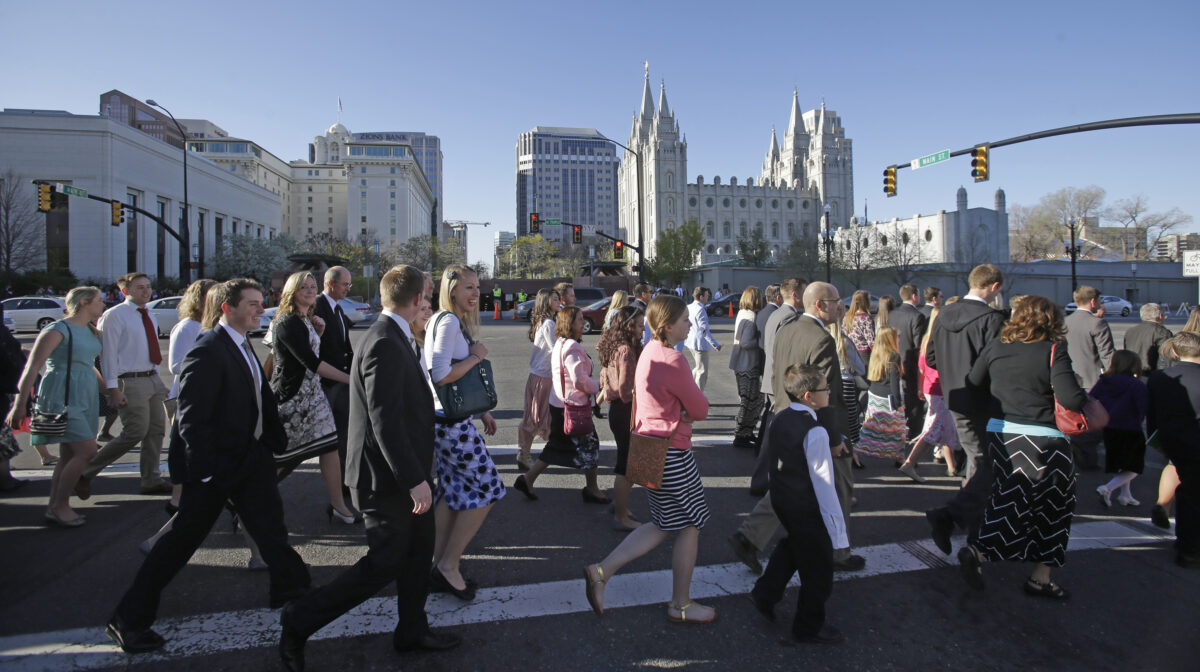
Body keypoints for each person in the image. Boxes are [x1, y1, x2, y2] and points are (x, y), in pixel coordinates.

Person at [106, 279, 311, 654]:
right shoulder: (208, 349)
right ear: (226, 309)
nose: (258, 309)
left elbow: (255, 394)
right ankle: (128, 619)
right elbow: (191, 419)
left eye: (259, 302)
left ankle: (293, 593)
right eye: (250, 304)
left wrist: (270, 442)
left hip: (248, 459)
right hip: (215, 467)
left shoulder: (240, 343)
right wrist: (203, 471)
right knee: (181, 541)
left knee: (270, 528)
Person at [280, 266, 459, 671]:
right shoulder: (383, 341)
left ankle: (412, 630)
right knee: (385, 563)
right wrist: (415, 481)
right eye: (428, 297)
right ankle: (299, 619)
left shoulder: (394, 334)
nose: (430, 304)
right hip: (386, 479)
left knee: (417, 556)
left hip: (406, 472)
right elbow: (384, 420)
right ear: (415, 300)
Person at [583, 295, 715, 623]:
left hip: (651, 448)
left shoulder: (649, 353)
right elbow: (700, 409)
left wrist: (681, 408)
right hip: (674, 452)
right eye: (685, 320)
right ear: (668, 326)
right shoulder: (673, 358)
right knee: (690, 525)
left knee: (662, 523)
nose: (689, 324)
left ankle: (602, 571)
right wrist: (685, 411)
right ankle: (680, 604)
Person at [731, 283, 864, 574]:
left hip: (786, 415)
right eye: (834, 301)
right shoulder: (821, 339)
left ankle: (750, 536)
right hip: (815, 426)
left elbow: (779, 373)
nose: (840, 306)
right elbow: (825, 396)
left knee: (789, 485)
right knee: (839, 486)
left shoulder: (786, 329)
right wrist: (834, 438)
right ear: (819, 305)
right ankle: (838, 551)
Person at [958, 295, 1086, 598]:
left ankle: (980, 552)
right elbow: (1071, 398)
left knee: (1009, 495)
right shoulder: (1054, 350)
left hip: (1002, 433)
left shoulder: (996, 347)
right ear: (1050, 320)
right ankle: (1040, 576)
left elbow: (973, 382)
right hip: (1043, 437)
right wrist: (1083, 394)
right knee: (1055, 506)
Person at [749, 364, 848, 644]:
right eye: (824, 388)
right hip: (807, 505)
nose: (828, 392)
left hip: (784, 499)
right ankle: (807, 626)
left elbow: (773, 463)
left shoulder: (780, 418)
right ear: (808, 396)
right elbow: (824, 484)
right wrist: (837, 529)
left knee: (794, 546)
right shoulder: (815, 431)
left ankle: (765, 592)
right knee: (819, 570)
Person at [425, 264, 504, 600]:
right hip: (452, 427)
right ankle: (449, 565)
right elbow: (440, 374)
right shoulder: (448, 321)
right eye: (469, 287)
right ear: (452, 290)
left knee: (453, 492)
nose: (475, 294)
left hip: (445, 421)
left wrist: (480, 410)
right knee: (488, 488)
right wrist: (475, 356)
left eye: (477, 287)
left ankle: (437, 562)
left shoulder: (441, 320)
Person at [923, 264, 1006, 555]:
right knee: (985, 461)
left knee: (977, 458)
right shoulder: (991, 319)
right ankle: (966, 519)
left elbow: (931, 357)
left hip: (954, 395)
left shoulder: (944, 313)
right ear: (993, 287)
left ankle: (965, 516)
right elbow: (997, 364)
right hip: (984, 399)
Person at [6, 287, 105, 526]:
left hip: (84, 395)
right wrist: (20, 404)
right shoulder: (57, 329)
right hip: (61, 395)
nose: (103, 305)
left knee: (69, 454)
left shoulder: (90, 331)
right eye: (99, 301)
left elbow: (87, 363)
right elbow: (32, 366)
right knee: (87, 451)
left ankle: (56, 505)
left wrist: (109, 391)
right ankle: (60, 505)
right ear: (83, 303)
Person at [267, 272, 356, 523]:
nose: (308, 291)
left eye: (311, 286)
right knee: (287, 456)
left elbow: (312, 352)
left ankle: (339, 506)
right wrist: (351, 379)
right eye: (303, 287)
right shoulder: (287, 322)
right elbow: (312, 362)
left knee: (329, 446)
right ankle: (245, 496)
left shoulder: (305, 320)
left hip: (314, 397)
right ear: (291, 292)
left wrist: (320, 330)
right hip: (293, 399)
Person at [76, 272, 171, 499]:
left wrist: (158, 380)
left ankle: (151, 479)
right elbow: (107, 354)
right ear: (125, 291)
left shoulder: (149, 314)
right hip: (129, 379)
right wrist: (112, 388)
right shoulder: (114, 315)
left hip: (151, 377)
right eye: (140, 287)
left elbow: (150, 348)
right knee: (135, 431)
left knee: (156, 431)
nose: (146, 291)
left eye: (148, 287)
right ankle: (85, 473)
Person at [513, 306, 608, 503]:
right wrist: (597, 385)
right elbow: (579, 380)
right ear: (570, 324)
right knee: (590, 446)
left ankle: (528, 480)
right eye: (580, 320)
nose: (583, 323)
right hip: (574, 407)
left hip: (559, 404)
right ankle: (592, 489)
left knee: (556, 446)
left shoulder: (561, 344)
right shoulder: (573, 347)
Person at [1147, 331, 1200, 567]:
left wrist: (1156, 438)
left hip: (1173, 441)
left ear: (1176, 352)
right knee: (1192, 494)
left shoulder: (1160, 377)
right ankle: (1189, 548)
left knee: (1188, 490)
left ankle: (1185, 542)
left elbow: (1152, 414)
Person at [598, 304, 644, 530]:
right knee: (626, 465)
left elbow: (605, 380)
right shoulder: (626, 350)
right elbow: (626, 391)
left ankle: (620, 505)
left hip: (616, 409)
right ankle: (620, 516)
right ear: (629, 326)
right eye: (640, 326)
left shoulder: (614, 345)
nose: (643, 330)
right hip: (625, 409)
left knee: (627, 462)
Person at [899, 306, 958, 481]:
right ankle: (910, 463)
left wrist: (921, 386)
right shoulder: (941, 341)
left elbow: (921, 368)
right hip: (939, 388)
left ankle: (952, 466)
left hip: (931, 387)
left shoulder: (927, 340)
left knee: (942, 427)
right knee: (935, 429)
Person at [1065, 286, 1115, 471]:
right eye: (1100, 301)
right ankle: (1086, 455)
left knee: (1075, 418)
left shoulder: (1065, 322)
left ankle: (1077, 449)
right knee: (1095, 422)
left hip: (1070, 379)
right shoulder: (1097, 323)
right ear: (1093, 301)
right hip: (1092, 379)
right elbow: (1107, 354)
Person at [313, 266, 354, 490]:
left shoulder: (338, 309)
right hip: (326, 383)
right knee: (327, 438)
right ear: (331, 284)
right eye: (345, 284)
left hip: (343, 380)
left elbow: (345, 346)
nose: (348, 289)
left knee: (344, 433)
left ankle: (345, 483)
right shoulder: (317, 307)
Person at [1091, 351, 1149, 507]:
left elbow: (1091, 398)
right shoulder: (1137, 385)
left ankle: (1125, 495)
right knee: (1134, 467)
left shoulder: (1104, 381)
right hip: (1131, 428)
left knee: (1122, 464)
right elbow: (1143, 407)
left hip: (1109, 427)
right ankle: (1107, 488)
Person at [516, 288, 561, 471]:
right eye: (555, 299)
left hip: (540, 376)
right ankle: (524, 454)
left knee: (538, 417)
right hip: (543, 377)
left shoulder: (545, 322)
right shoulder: (549, 324)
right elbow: (556, 349)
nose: (559, 301)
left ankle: (527, 453)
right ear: (546, 302)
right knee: (536, 418)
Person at [857, 327, 907, 463]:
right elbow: (894, 383)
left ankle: (865, 450)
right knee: (897, 429)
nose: (899, 339)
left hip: (874, 395)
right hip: (889, 398)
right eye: (897, 337)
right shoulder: (894, 356)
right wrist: (898, 404)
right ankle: (900, 458)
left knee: (873, 427)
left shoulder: (876, 354)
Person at [889, 284, 929, 439]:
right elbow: (918, 344)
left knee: (899, 398)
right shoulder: (917, 316)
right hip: (911, 363)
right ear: (914, 296)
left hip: (895, 359)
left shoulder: (893, 314)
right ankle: (914, 432)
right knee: (913, 402)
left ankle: (900, 428)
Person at [729, 286, 765, 449]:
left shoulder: (743, 313)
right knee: (751, 400)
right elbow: (745, 342)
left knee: (751, 399)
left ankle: (745, 432)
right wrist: (759, 341)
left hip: (740, 364)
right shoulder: (751, 317)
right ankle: (741, 434)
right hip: (748, 364)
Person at [683, 287, 721, 391]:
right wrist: (715, 344)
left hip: (691, 342)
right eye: (707, 295)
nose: (708, 297)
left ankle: (690, 389)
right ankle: (696, 397)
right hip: (700, 344)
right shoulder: (700, 309)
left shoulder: (689, 307)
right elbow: (704, 330)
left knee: (697, 367)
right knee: (702, 371)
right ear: (701, 297)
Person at [1124, 303, 1173, 377]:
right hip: (1151, 375)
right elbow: (1166, 360)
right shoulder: (1162, 332)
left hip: (1132, 374)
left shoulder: (1130, 331)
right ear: (1160, 316)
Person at [844, 290, 875, 366]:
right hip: (864, 353)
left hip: (850, 351)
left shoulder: (846, 317)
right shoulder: (866, 318)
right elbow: (870, 339)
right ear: (865, 302)